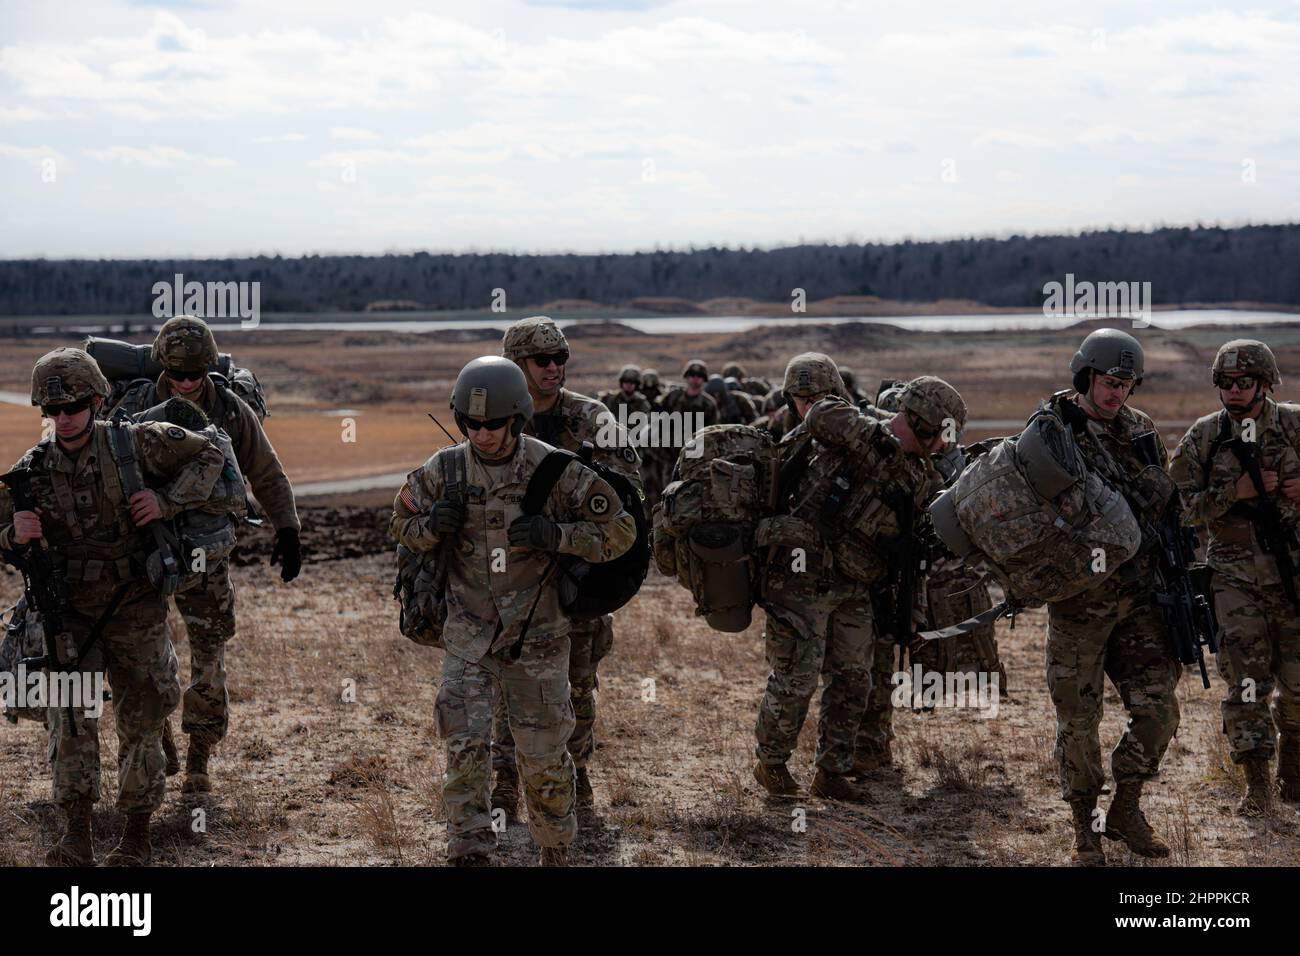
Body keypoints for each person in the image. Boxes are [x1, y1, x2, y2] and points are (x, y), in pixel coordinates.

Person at [390, 356, 634, 865]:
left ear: (517, 418)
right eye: (472, 424)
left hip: (539, 638)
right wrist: (433, 525)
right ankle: (469, 848)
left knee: (544, 757)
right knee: (464, 748)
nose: (482, 434)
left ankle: (555, 849)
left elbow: (620, 532)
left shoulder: (555, 471)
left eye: (493, 424)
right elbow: (402, 525)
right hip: (468, 637)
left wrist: (558, 536)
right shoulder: (444, 470)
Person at [0, 347, 225, 865]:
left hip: (134, 608)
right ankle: (76, 834)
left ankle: (137, 836)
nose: (62, 418)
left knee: (142, 718)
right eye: (51, 411)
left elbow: (210, 454)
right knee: (71, 720)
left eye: (72, 407)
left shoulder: (137, 445)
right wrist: (13, 533)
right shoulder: (29, 472)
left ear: (97, 401)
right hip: (69, 615)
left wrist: (167, 503)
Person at [104, 315, 301, 794]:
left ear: (209, 368)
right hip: (145, 545)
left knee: (209, 655)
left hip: (206, 552)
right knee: (144, 658)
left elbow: (267, 472)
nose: (188, 383)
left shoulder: (232, 411)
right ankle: (162, 737)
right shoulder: (135, 407)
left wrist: (289, 530)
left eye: (196, 374)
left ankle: (199, 756)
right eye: (178, 374)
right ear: (162, 368)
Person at [491, 316, 642, 819]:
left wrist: (563, 532)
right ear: (517, 364)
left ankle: (576, 779)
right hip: (510, 582)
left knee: (576, 687)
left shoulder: (593, 419)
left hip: (577, 579)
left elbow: (625, 503)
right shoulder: (494, 413)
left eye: (560, 359)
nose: (554, 368)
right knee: (506, 689)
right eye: (542, 360)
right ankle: (505, 785)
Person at [1044, 328, 1181, 865]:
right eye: (1106, 382)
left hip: (1140, 599)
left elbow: (1162, 508)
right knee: (1078, 721)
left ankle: (1126, 808)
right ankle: (1084, 827)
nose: (1115, 393)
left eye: (1125, 384)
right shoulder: (1054, 430)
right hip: (1080, 601)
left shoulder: (1141, 430)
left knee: (1159, 711)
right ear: (1086, 377)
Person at [1169, 339, 1300, 814]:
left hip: (1294, 578)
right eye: (1225, 383)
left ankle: (1293, 771)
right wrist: (1233, 492)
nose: (1234, 392)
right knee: (1246, 683)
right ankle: (1258, 784)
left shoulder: (1293, 425)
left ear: (1265, 384)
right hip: (1234, 579)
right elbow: (1177, 508)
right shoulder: (1204, 438)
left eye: (1244, 383)